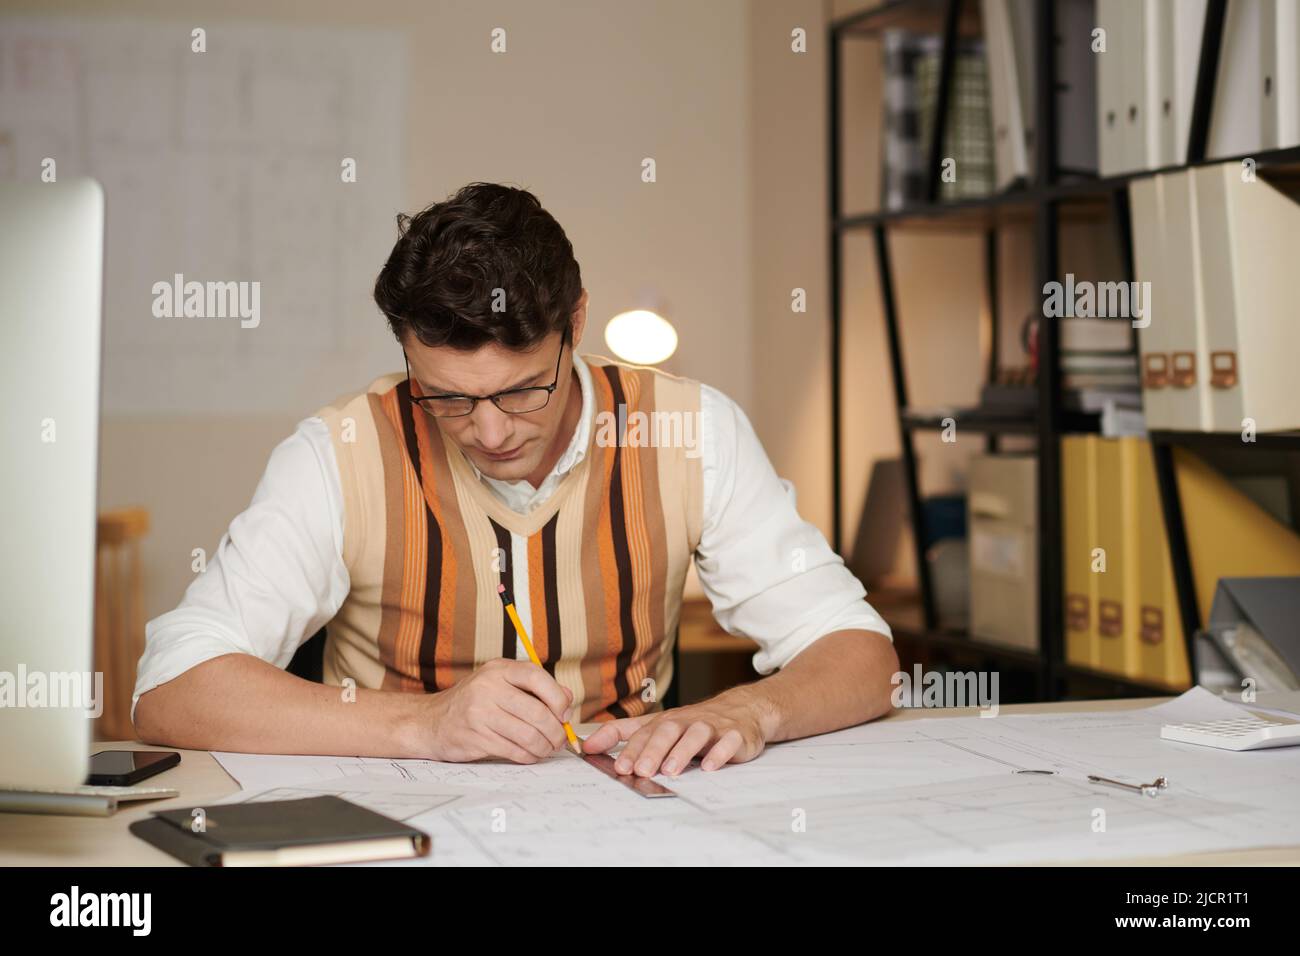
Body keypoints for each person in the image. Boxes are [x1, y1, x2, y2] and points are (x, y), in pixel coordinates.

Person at [133, 182, 897, 778]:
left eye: (524, 388)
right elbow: (173, 687)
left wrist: (751, 711)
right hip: (400, 820)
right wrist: (423, 725)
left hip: (629, 819)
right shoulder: (339, 450)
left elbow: (860, 653)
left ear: (578, 322)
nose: (490, 432)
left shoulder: (691, 431)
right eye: (450, 397)